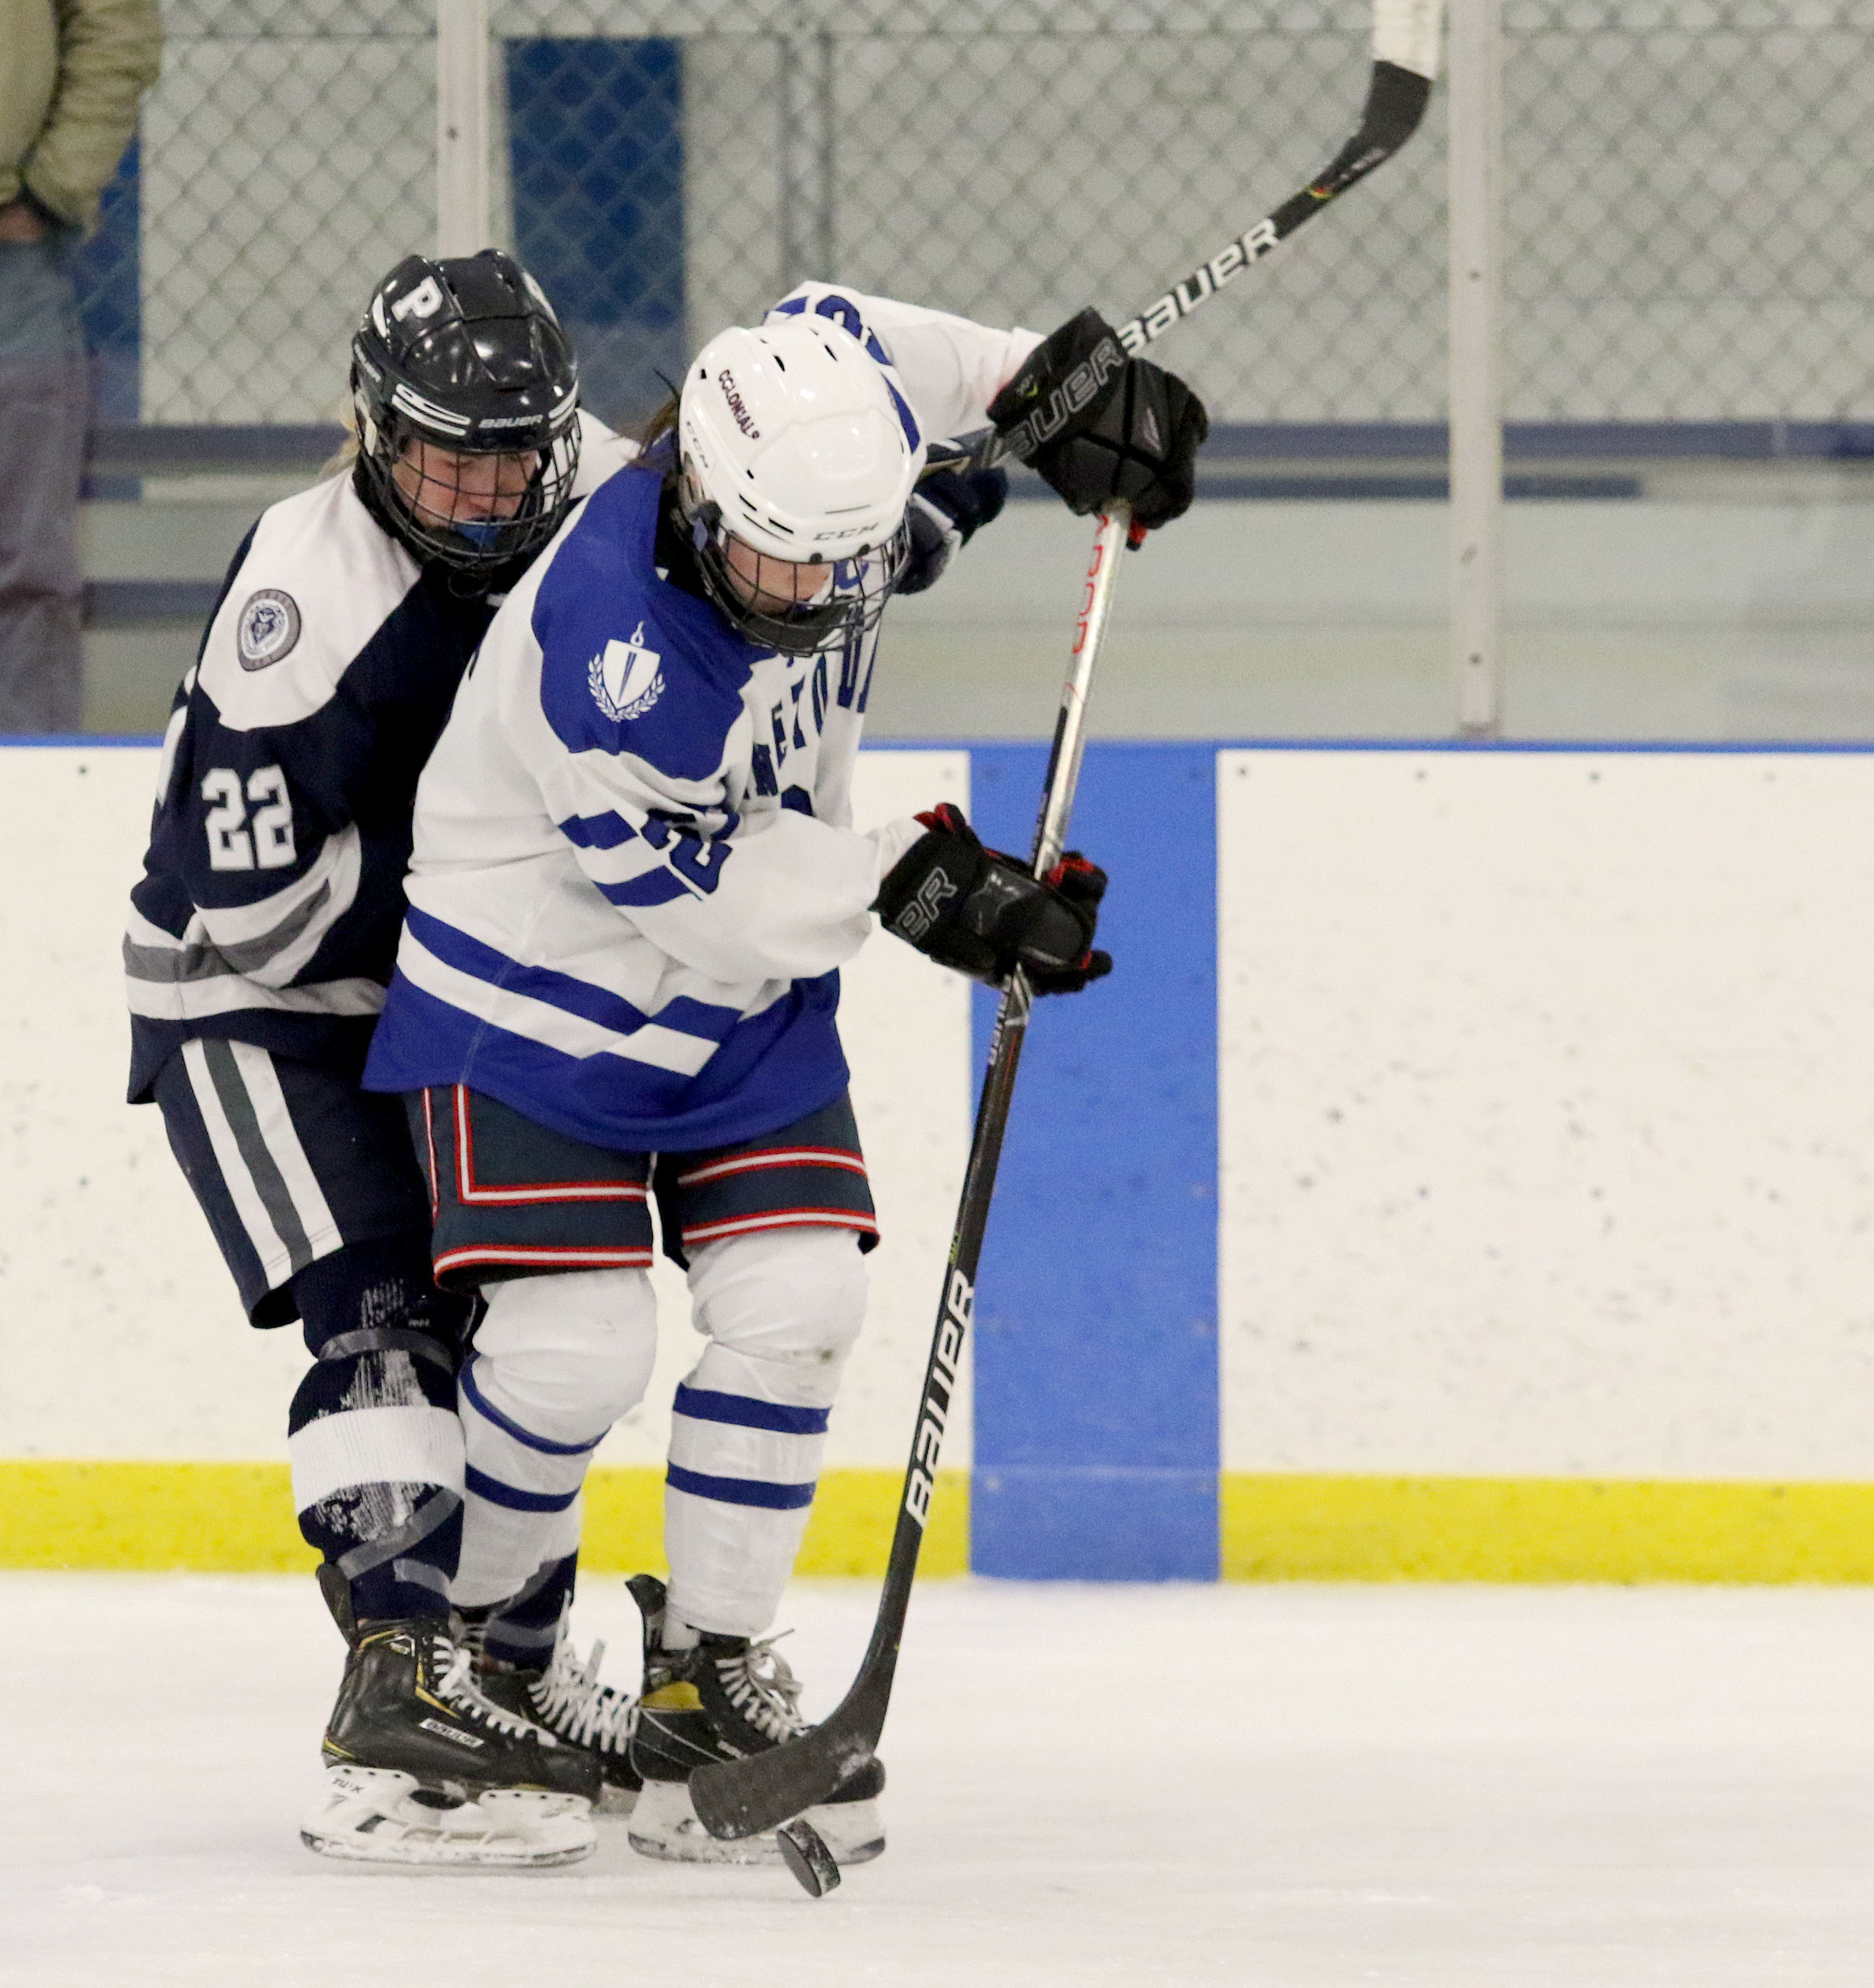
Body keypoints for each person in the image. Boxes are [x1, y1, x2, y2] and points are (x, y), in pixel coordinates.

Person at [123, 251, 1013, 1869]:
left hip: (491, 973)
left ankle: (522, 1682)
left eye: (514, 452)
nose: (478, 491)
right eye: (438, 457)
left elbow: (743, 557)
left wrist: (890, 521)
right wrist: (490, 937)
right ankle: (413, 1705)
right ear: (369, 428)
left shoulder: (616, 485)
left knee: (557, 1341)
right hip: (275, 999)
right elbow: (235, 891)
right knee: (390, 1324)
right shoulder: (302, 601)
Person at [357, 284, 1205, 1869]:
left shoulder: (818, 408)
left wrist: (1061, 392)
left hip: (739, 1011)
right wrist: (927, 881)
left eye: (845, 557)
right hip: (535, 999)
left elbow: (902, 346)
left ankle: (707, 1678)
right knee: (571, 1348)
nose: (815, 590)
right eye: (782, 557)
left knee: (804, 1300)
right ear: (695, 495)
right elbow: (705, 888)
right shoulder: (605, 654)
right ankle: (485, 1665)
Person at [2, 0, 161, 730]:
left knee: (25, 566)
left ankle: (30, 816)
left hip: (10, 259)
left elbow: (115, 24)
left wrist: (49, 190)